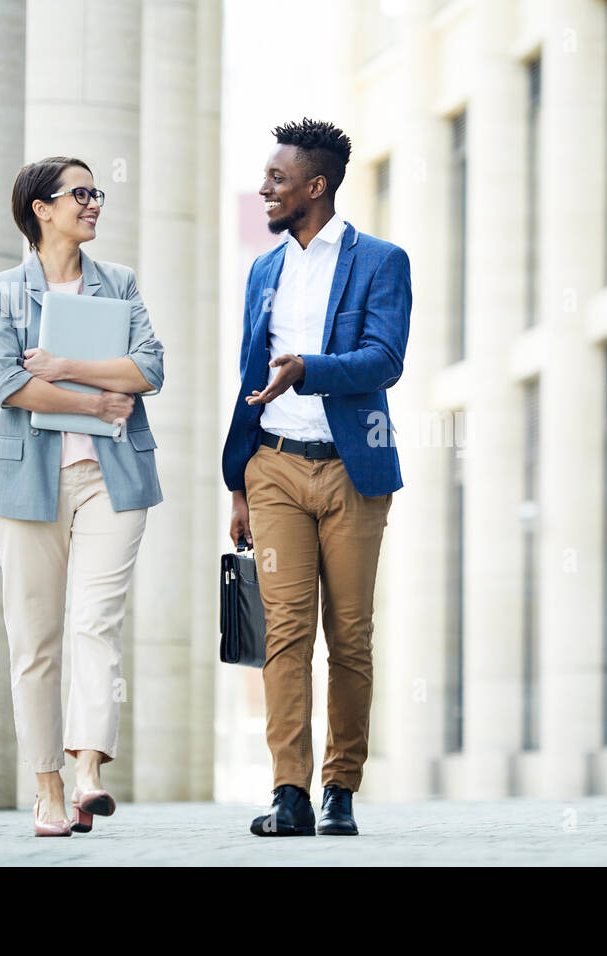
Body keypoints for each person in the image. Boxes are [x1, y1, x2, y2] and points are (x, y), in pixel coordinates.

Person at [221, 118, 412, 836]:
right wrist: (237, 479)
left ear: (315, 186)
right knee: (285, 635)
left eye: (277, 178)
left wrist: (310, 371)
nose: (265, 188)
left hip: (352, 473)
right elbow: (249, 373)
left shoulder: (381, 261)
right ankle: (289, 794)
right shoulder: (264, 270)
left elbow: (385, 359)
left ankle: (340, 789)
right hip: (273, 469)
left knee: (351, 635)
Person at [0, 156, 165, 836]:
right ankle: (48, 790)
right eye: (79, 193)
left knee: (97, 624)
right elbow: (7, 385)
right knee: (36, 640)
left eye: (96, 192)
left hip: (113, 479)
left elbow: (150, 368)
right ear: (41, 209)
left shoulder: (120, 284)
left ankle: (89, 770)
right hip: (27, 481)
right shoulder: (2, 292)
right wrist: (102, 398)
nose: (92, 203)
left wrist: (64, 367)